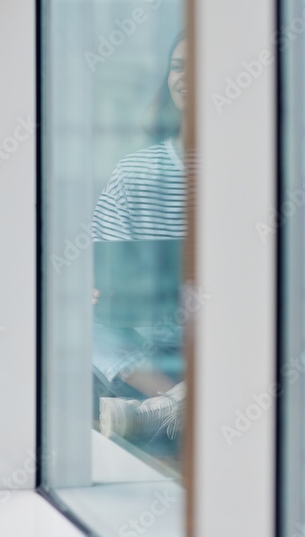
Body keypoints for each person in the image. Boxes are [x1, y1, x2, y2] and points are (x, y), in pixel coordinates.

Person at [92, 34, 188, 441]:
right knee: (74, 318)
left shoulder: (259, 166)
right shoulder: (135, 171)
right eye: (179, 66)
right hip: (150, 340)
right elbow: (102, 268)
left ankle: (160, 413)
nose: (185, 77)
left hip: (228, 331)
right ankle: (174, 402)